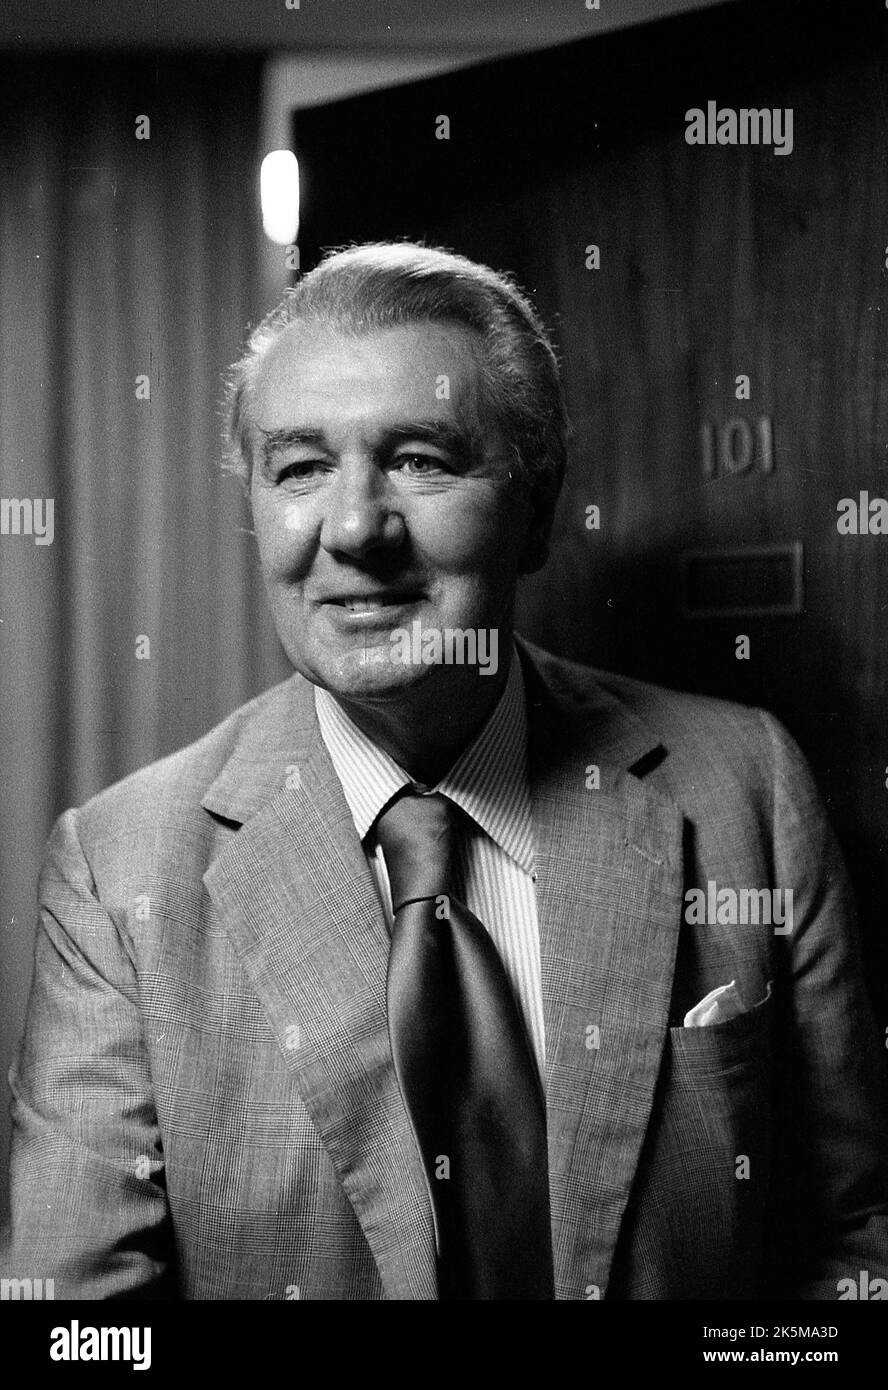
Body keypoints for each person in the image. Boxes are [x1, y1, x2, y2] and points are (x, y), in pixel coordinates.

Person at [2, 242, 887, 1300]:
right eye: (300, 467)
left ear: (539, 506)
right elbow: (74, 1323)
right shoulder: (119, 868)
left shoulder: (747, 788)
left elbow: (853, 1239)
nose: (356, 527)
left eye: (421, 458)